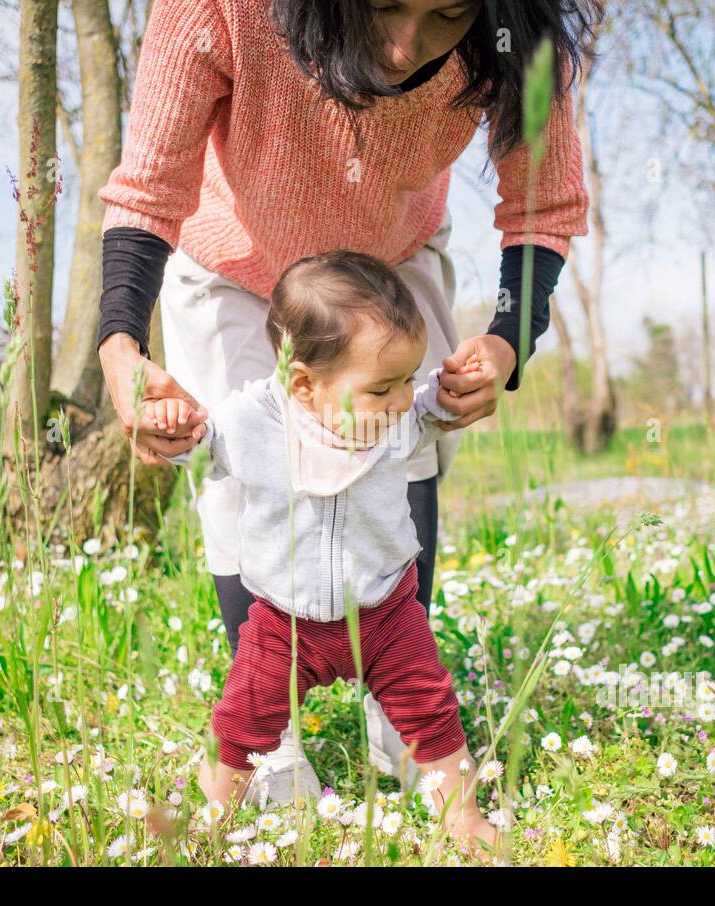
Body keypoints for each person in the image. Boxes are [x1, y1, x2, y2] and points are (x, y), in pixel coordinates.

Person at [97, 0, 599, 801]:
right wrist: (122, 341)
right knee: (240, 480)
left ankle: (401, 715)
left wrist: (507, 342)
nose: (405, 47)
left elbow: (545, 201)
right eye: (385, 8)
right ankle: (270, 738)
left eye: (445, 16)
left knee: (408, 449)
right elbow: (149, 188)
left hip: (389, 264)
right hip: (233, 258)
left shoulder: (518, 34)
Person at [151, 250, 496, 853]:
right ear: (303, 383)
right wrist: (174, 424)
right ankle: (209, 820)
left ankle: (461, 818)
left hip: (386, 612)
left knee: (431, 709)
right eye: (381, 388)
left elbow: (434, 410)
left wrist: (452, 389)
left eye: (407, 382)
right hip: (284, 623)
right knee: (240, 724)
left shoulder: (397, 418)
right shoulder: (251, 422)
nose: (399, 403)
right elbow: (196, 446)